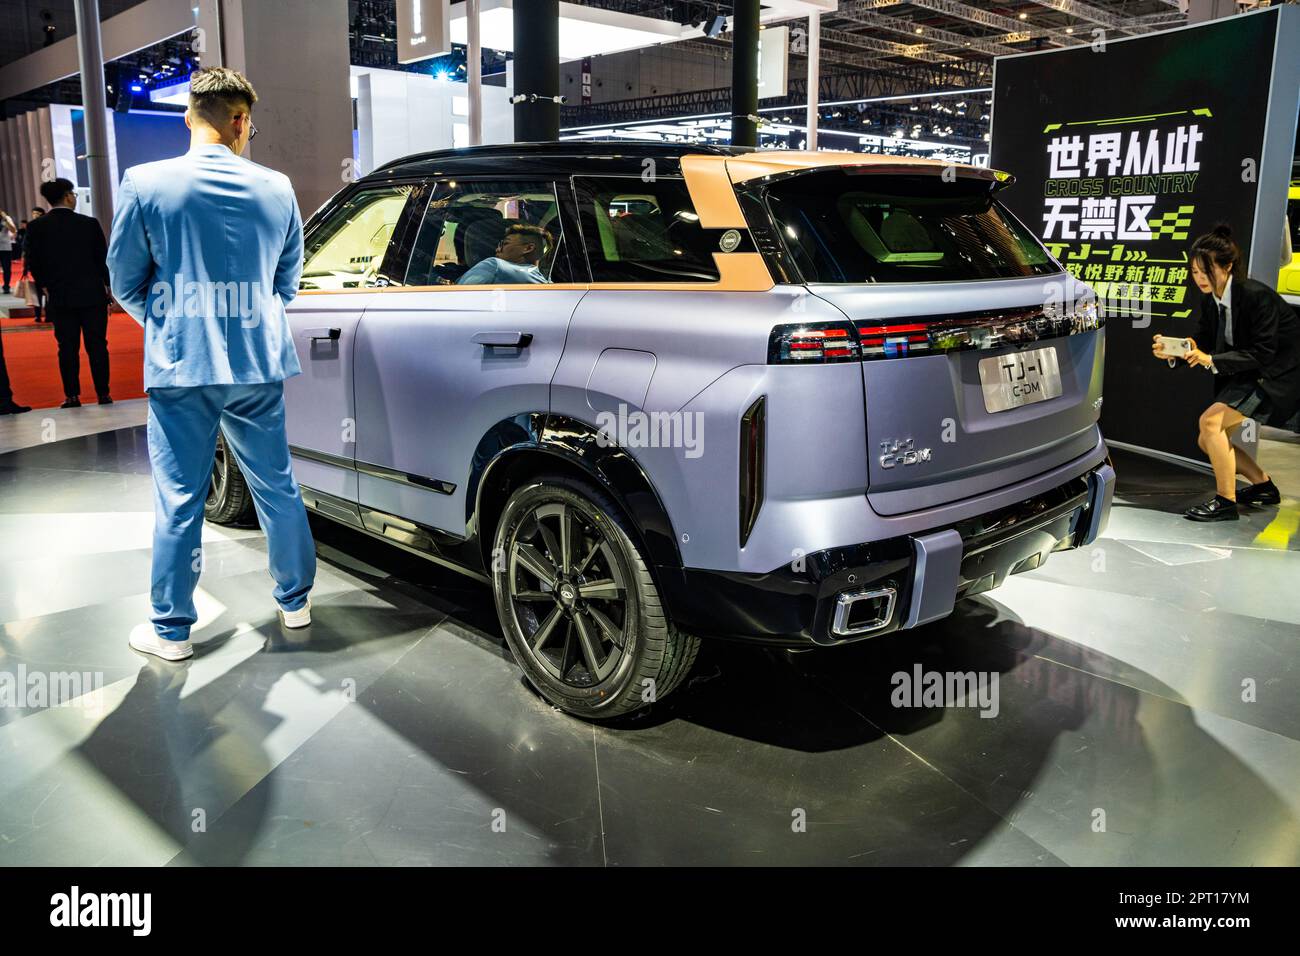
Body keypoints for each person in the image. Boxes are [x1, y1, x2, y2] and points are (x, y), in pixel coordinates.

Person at [108, 66, 315, 662]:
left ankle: (172, 630)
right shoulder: (277, 187)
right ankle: (296, 602)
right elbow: (286, 283)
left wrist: (174, 324)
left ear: (189, 117)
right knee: (276, 484)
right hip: (257, 361)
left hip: (182, 366)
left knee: (179, 497)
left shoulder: (145, 183)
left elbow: (124, 281)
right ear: (240, 120)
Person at [1153, 224, 1300, 522]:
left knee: (1210, 423)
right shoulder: (1212, 300)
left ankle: (1225, 501)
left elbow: (1263, 352)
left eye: (1206, 271)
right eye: (1195, 272)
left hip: (1278, 372)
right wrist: (1178, 351)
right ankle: (1263, 486)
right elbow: (1203, 339)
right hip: (1248, 369)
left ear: (1228, 266)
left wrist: (1208, 358)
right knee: (1207, 440)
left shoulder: (1255, 296)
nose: (1200, 279)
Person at [23, 179, 111, 405]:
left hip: (60, 296)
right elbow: (102, 260)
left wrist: (46, 285)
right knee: (98, 345)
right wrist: (108, 288)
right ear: (67, 196)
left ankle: (72, 395)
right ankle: (103, 393)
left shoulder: (36, 227)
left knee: (67, 348)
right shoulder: (89, 224)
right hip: (92, 295)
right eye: (73, 193)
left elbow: (34, 262)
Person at [456, 223, 551, 285]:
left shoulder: (495, 265)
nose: (497, 249)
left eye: (505, 244)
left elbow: (456, 297)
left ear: (528, 248)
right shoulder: (547, 283)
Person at [0, 211, 15, 294]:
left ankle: (6, 286)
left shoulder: (6, 219)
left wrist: (5, 219)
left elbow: (13, 230)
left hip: (5, 248)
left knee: (6, 268)